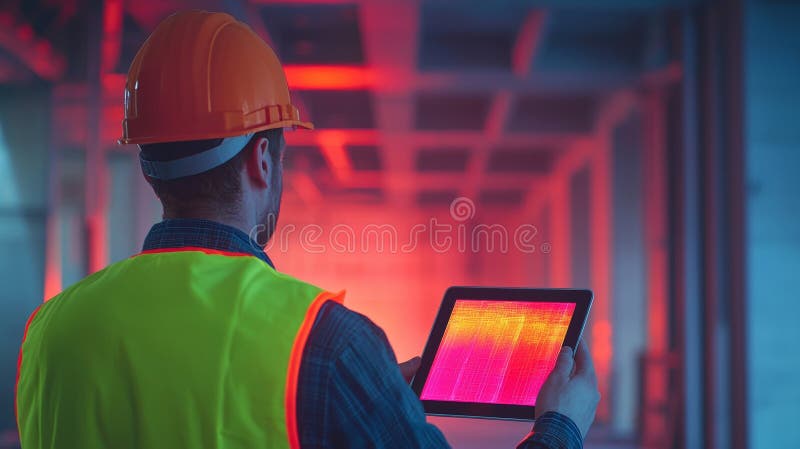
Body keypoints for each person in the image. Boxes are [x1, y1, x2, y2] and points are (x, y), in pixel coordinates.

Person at [15, 11, 600, 449]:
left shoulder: (47, 331)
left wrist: (365, 388)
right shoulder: (325, 343)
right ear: (262, 161)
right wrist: (561, 424)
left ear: (147, 165)